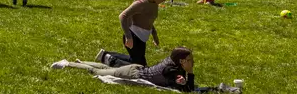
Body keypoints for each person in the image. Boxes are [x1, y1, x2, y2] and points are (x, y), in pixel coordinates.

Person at [58, 47, 195, 92]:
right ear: (182, 61)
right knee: (97, 72)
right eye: (190, 60)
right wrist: (189, 74)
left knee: (106, 68)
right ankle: (68, 63)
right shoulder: (171, 70)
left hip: (136, 69)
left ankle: (81, 62)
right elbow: (187, 89)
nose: (192, 62)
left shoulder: (174, 64)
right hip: (132, 73)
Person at [117, 0, 171, 66]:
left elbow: (148, 20)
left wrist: (154, 35)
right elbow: (122, 16)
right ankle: (108, 58)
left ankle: (105, 55)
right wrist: (128, 37)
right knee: (139, 65)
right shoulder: (142, 3)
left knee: (139, 62)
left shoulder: (154, 3)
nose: (164, 0)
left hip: (141, 37)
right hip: (133, 36)